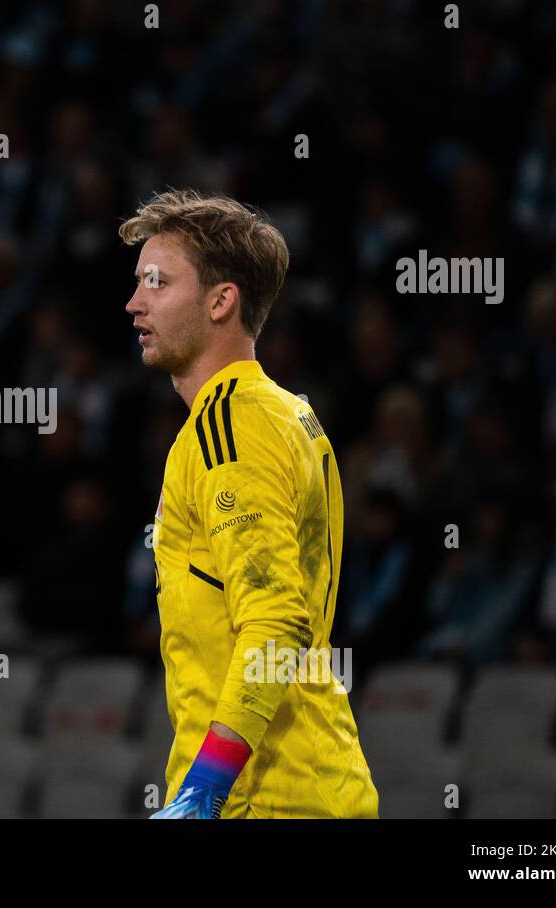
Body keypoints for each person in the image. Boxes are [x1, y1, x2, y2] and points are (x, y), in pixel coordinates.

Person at [122, 189, 378, 818]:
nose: (134, 303)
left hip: (267, 800)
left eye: (156, 283)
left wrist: (204, 788)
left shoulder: (232, 426)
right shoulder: (287, 412)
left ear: (220, 300)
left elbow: (273, 621)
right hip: (303, 788)